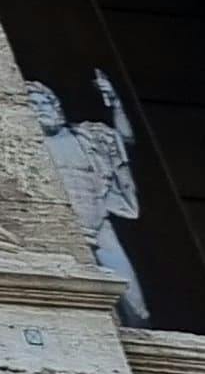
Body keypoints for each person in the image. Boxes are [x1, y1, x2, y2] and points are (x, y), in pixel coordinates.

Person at [30, 71, 148, 325]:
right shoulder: (29, 144)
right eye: (35, 104)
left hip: (100, 221)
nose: (44, 109)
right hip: (62, 223)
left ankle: (139, 329)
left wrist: (114, 102)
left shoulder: (88, 136)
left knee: (130, 290)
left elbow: (124, 138)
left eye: (47, 102)